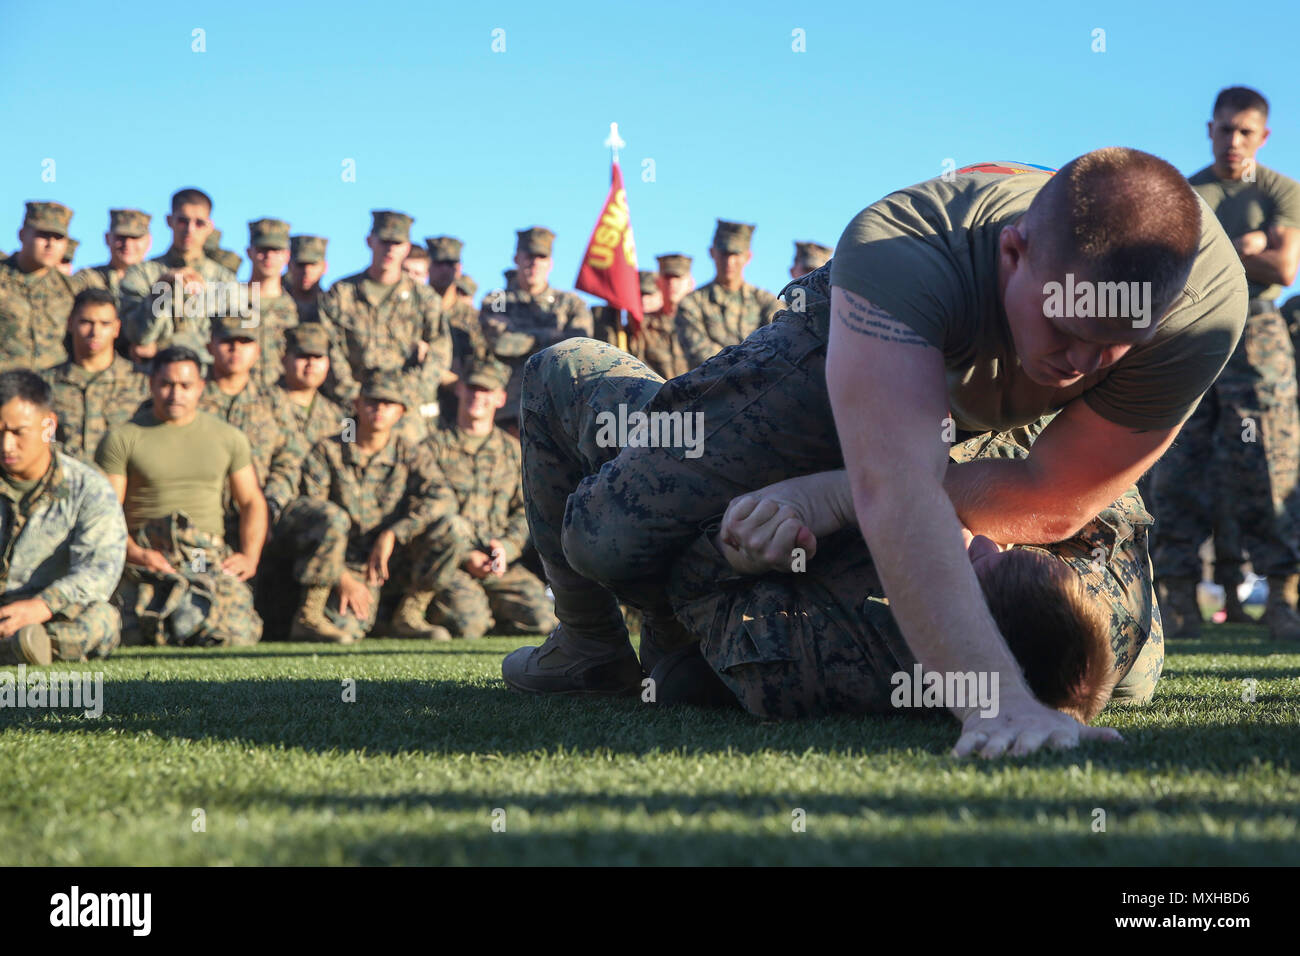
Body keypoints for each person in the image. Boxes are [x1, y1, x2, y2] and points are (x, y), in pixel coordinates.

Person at [503, 149, 1245, 759]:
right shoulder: (901, 255)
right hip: (854, 353)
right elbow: (897, 489)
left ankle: (693, 624)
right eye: (1063, 326)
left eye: (1112, 345)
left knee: (1124, 666)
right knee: (609, 538)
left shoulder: (1201, 310)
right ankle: (588, 643)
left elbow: (1054, 493)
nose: (1078, 366)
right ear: (1013, 254)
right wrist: (998, 706)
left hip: (986, 431)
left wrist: (826, 499)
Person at [505, 338, 1161, 722]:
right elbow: (1096, 489)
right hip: (950, 421)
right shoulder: (1098, 601)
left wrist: (746, 552)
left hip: (786, 447)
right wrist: (861, 492)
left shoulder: (825, 658)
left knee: (561, 370)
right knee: (1132, 676)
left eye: (973, 572)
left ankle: (590, 645)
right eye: (1012, 552)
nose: (983, 542)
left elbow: (692, 585)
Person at [1149, 86, 1300, 641]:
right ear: (1208, 129)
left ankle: (1283, 596)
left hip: (1258, 332)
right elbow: (1167, 266)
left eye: (1245, 131)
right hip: (1192, 329)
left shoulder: (1282, 190)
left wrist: (1221, 250)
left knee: (1268, 466)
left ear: (1263, 136)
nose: (1233, 141)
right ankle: (1179, 598)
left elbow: (1284, 268)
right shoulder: (1185, 193)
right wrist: (1245, 247)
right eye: (1224, 129)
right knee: (1177, 466)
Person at [95, 346, 265, 646]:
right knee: (131, 633)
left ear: (200, 387)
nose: (176, 394)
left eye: (185, 385)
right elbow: (107, 512)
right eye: (166, 384)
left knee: (237, 634)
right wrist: (137, 554)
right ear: (152, 385)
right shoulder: (122, 438)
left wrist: (249, 557)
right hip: (146, 556)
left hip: (204, 557)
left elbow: (251, 501)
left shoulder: (228, 438)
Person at [287, 371, 458, 643]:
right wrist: (340, 576)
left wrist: (393, 534)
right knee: (347, 631)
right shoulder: (329, 450)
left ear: (401, 412)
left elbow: (443, 498)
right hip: (346, 562)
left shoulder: (410, 452)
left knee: (453, 527)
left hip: (396, 559)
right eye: (372, 402)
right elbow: (313, 518)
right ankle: (309, 616)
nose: (379, 409)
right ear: (357, 404)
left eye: (388, 404)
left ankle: (409, 615)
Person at [425, 356, 556, 640]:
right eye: (472, 388)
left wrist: (506, 547)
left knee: (543, 619)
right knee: (469, 626)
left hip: (499, 565)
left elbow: (526, 511)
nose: (477, 396)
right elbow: (426, 512)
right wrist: (465, 555)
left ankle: (494, 612)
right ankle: (471, 612)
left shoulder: (512, 452)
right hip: (450, 564)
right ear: (459, 389)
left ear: (500, 398)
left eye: (486, 391)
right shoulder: (431, 448)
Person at [0, 370, 126, 665]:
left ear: (48, 426)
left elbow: (98, 571)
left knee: (103, 619)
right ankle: (16, 650)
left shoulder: (88, 488)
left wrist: (42, 605)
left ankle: (32, 645)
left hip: (48, 615)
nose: (6, 445)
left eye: (18, 432)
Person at [316, 210, 452, 437]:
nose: (390, 249)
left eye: (397, 243)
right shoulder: (342, 294)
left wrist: (406, 395)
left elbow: (440, 353)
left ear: (407, 248)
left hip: (404, 410)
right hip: (351, 408)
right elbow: (329, 347)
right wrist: (353, 394)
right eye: (384, 241)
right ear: (370, 241)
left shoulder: (425, 299)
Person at [481, 226, 593, 432]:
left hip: (557, 407)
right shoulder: (497, 299)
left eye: (541, 257)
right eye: (529, 256)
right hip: (509, 409)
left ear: (550, 263)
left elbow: (578, 348)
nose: (534, 263)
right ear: (516, 259)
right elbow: (501, 343)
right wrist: (551, 337)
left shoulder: (570, 304)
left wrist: (523, 336)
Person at [120, 188, 237, 362]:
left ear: (209, 227)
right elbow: (138, 335)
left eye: (199, 223)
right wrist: (162, 288)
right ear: (169, 220)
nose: (190, 229)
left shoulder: (224, 280)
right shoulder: (142, 274)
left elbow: (233, 342)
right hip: (151, 378)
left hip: (204, 379)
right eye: (183, 221)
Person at [43, 289, 147, 464]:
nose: (95, 332)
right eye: (86, 322)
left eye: (105, 324)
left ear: (116, 328)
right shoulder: (45, 384)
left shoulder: (141, 382)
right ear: (70, 324)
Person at [674, 219, 782, 368]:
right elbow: (697, 352)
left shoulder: (766, 302)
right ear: (712, 252)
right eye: (724, 253)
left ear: (748, 257)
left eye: (736, 254)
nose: (729, 262)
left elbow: (777, 344)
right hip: (709, 386)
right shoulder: (692, 303)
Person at [0, 201, 78, 372]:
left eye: (58, 237)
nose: (50, 244)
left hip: (49, 390)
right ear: (22, 235)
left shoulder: (71, 289)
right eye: (42, 235)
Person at [240, 218, 301, 390]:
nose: (269, 257)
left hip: (280, 398)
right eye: (262, 250)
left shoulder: (296, 307)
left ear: (287, 256)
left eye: (276, 250)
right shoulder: (229, 299)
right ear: (249, 252)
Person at [276, 324, 346, 446]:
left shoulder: (336, 417)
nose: (311, 363)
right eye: (303, 356)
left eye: (318, 357)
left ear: (328, 363)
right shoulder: (264, 406)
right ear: (285, 359)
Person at [73, 208, 152, 310]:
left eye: (135, 237)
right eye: (121, 237)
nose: (127, 244)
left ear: (149, 241)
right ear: (107, 238)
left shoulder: (159, 279)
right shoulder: (87, 279)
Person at [630, 269, 690, 380]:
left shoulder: (685, 324)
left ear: (660, 295)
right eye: (640, 295)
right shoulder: (626, 333)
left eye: (649, 294)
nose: (644, 300)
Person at [286, 234, 329, 325]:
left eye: (313, 265)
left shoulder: (332, 306)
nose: (306, 271)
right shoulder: (258, 297)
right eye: (300, 265)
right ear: (289, 265)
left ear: (325, 267)